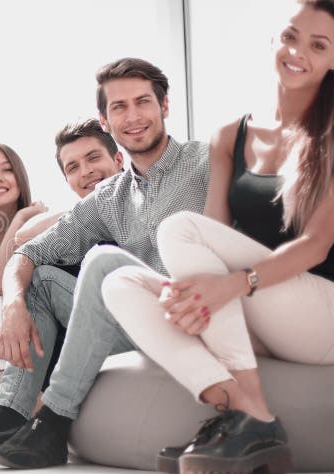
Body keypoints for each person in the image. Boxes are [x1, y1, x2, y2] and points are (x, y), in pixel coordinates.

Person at [0, 57, 210, 468]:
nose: (132, 117)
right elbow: (28, 252)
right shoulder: (109, 198)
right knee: (38, 278)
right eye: (119, 107)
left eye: (142, 102)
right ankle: (6, 417)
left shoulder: (205, 161)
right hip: (127, 325)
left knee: (104, 263)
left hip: (187, 314)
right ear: (107, 120)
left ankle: (52, 422)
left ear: (164, 106)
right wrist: (14, 305)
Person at [102, 2, 334, 472]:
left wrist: (234, 285)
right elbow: (212, 235)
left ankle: (253, 420)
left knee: (177, 227)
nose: (297, 52)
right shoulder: (231, 135)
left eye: (318, 45)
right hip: (257, 312)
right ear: (274, 39)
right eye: (291, 36)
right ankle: (242, 409)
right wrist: (187, 295)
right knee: (119, 283)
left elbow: (317, 245)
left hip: (321, 315)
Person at [0, 127, 124, 426]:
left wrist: (20, 218)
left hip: (26, 331)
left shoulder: (46, 220)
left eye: (7, 169)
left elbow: (2, 281)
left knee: (18, 286)